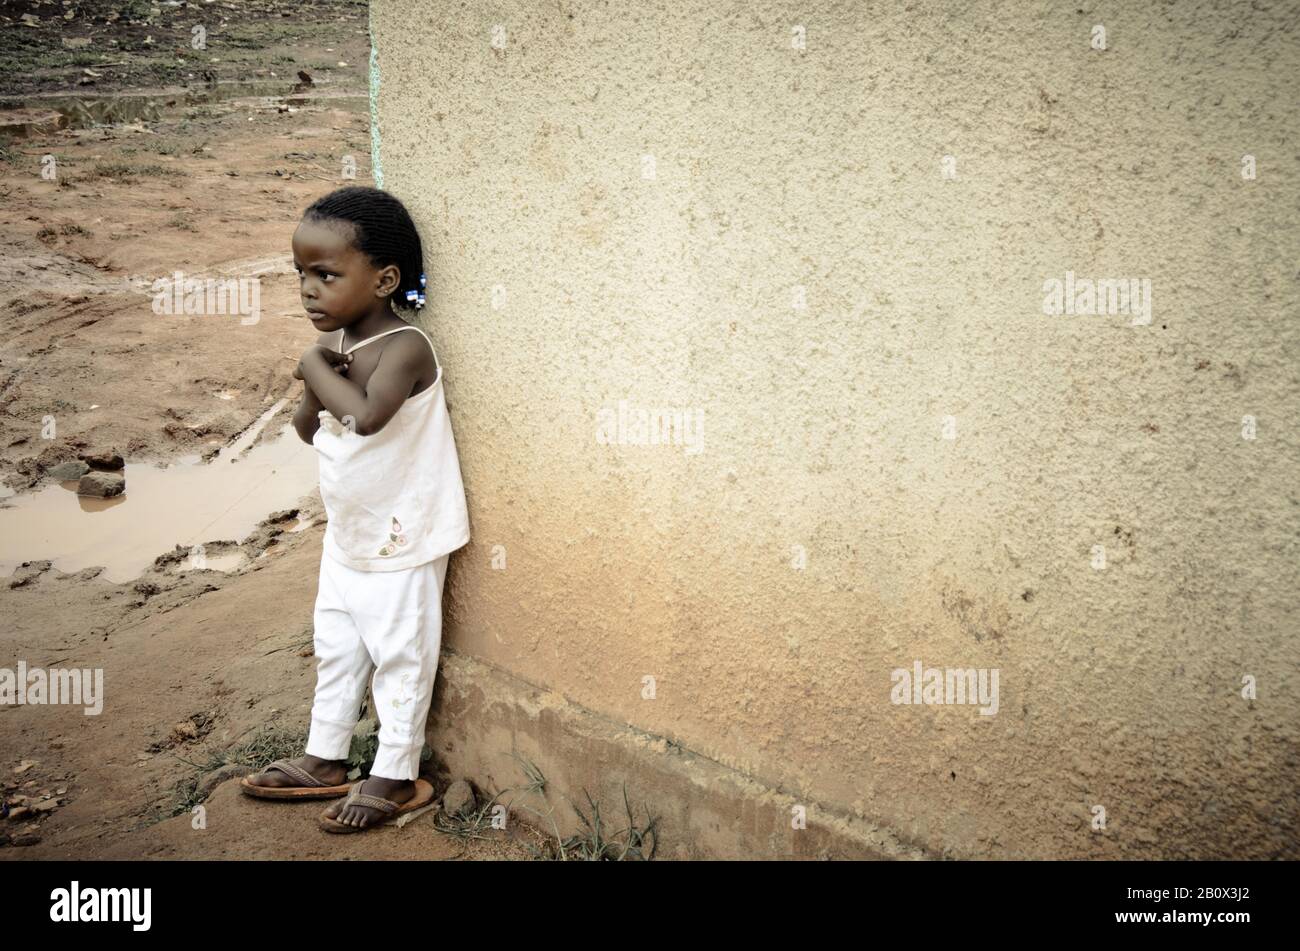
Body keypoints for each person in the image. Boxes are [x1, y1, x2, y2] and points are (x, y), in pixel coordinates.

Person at [239, 185, 470, 833]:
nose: (308, 289)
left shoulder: (405, 348)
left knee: (400, 653)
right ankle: (326, 755)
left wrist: (314, 365)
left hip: (405, 537)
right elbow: (313, 429)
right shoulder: (340, 343)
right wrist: (316, 380)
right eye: (301, 275)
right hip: (349, 535)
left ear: (385, 278)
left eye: (326, 274)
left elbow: (365, 417)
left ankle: (396, 771)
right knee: (336, 645)